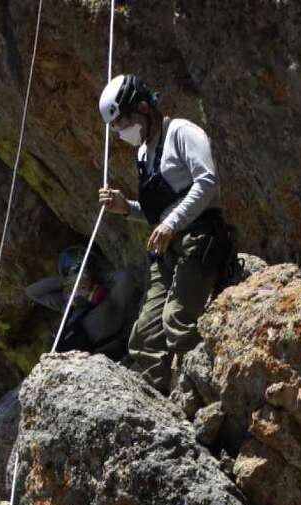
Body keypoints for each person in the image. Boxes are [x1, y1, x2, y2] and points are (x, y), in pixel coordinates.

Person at [97, 74, 231, 394]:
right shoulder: (144, 154)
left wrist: (172, 224)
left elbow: (206, 182)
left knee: (177, 323)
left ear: (143, 108)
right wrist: (126, 207)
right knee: (143, 338)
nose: (121, 133)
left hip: (199, 239)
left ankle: (209, 395)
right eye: (115, 129)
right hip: (166, 253)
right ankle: (161, 403)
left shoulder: (183, 133)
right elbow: (159, 215)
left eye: (123, 123)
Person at [25, 244, 140, 356]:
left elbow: (126, 278)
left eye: (85, 275)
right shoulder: (66, 302)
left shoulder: (109, 297)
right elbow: (32, 292)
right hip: (73, 350)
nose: (81, 282)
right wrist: (66, 281)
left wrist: (100, 279)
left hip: (105, 349)